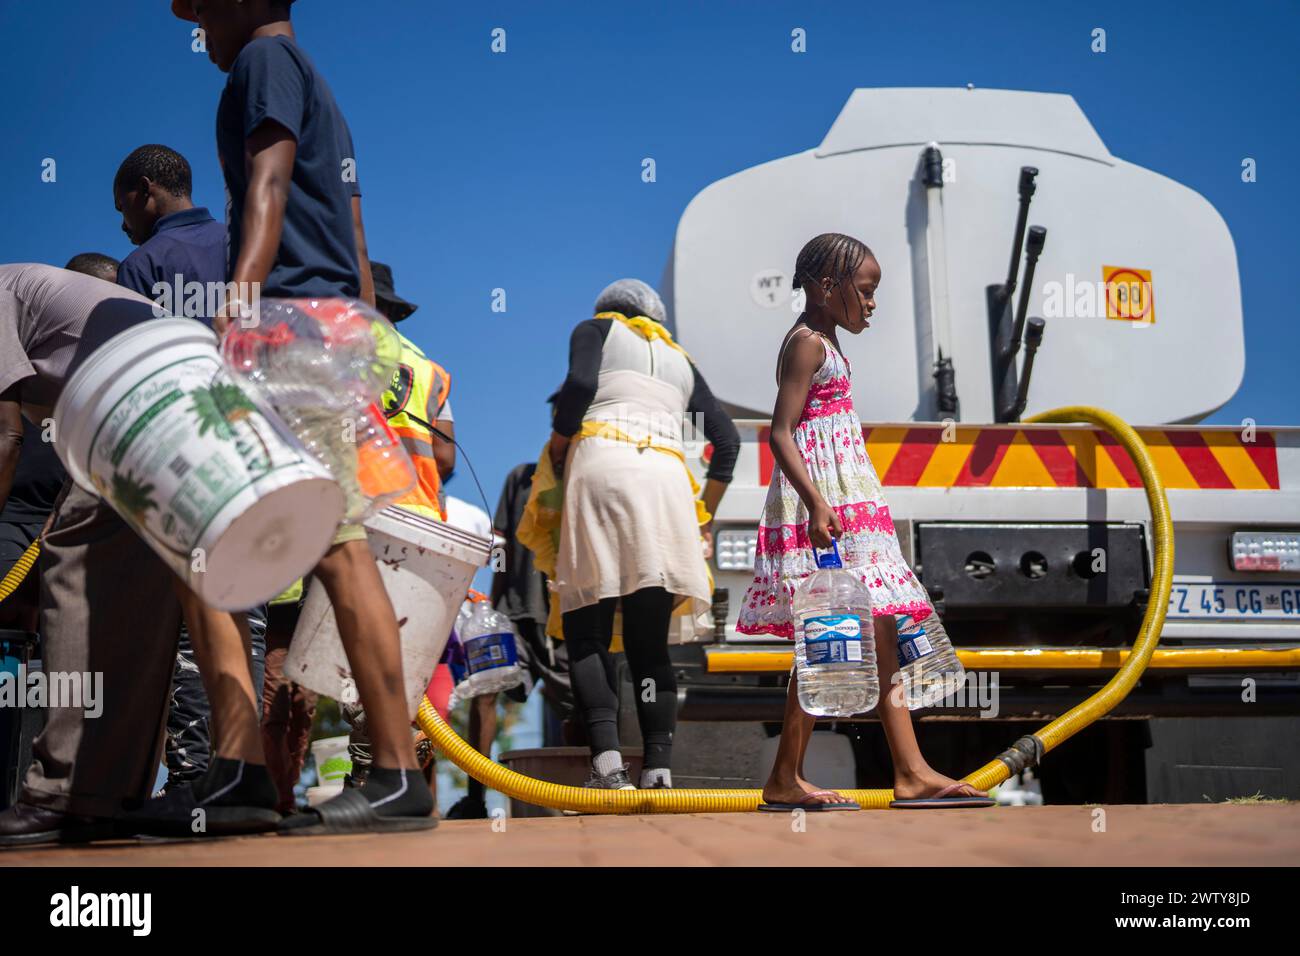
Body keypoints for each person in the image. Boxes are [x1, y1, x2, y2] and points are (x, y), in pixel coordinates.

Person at [136, 0, 431, 835]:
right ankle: (274, 772)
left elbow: (265, 184)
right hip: (326, 329)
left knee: (313, 548)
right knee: (284, 541)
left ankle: (273, 772)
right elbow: (355, 218)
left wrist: (238, 310)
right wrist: (366, 336)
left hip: (285, 327)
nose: (195, 26)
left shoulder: (263, 65)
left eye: (201, 9)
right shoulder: (317, 83)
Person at [736, 232, 993, 811]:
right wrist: (816, 504)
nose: (873, 303)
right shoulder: (806, 345)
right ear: (828, 288)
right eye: (866, 290)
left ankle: (907, 770)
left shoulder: (828, 343)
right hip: (825, 503)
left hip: (848, 502)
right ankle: (800, 776)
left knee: (876, 629)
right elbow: (780, 434)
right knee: (832, 630)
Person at [0, 265, 181, 844]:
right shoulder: (31, 293)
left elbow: (6, 436)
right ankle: (111, 795)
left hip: (135, 402)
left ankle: (60, 791)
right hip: (192, 403)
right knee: (141, 605)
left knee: (72, 572)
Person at [111, 144, 268, 795]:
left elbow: (128, 379)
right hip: (256, 449)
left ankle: (195, 778)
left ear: (146, 192)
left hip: (180, 458)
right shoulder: (245, 244)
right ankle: (243, 771)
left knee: (188, 621)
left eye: (124, 209)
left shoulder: (144, 264)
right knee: (246, 616)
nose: (123, 223)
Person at [541, 279, 739, 791]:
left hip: (604, 467)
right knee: (649, 646)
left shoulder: (595, 328)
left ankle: (607, 766)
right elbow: (728, 441)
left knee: (587, 631)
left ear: (608, 309)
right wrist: (704, 516)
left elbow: (579, 387)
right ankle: (658, 770)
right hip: (668, 485)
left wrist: (561, 442)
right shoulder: (679, 358)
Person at [112, 144, 226, 321]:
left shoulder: (141, 266)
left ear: (144, 188)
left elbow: (139, 346)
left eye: (121, 207)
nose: (123, 225)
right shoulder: (248, 243)